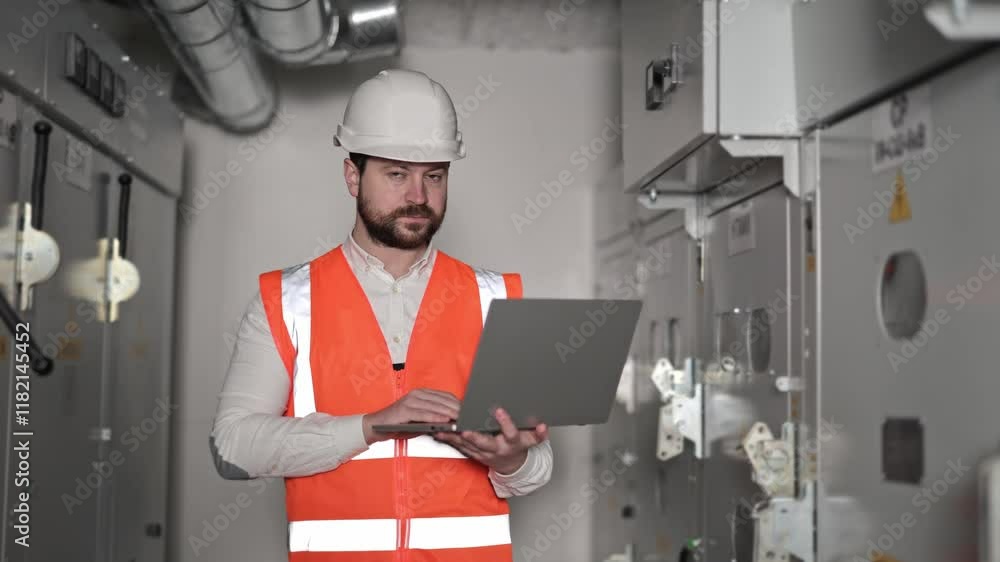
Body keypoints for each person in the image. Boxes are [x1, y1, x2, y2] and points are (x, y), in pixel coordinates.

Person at [210, 69, 553, 561]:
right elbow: (232, 448)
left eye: (434, 175)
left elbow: (538, 468)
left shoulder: (494, 298)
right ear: (353, 176)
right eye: (397, 174)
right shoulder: (285, 301)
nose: (418, 196)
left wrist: (513, 459)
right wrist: (369, 426)